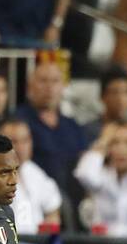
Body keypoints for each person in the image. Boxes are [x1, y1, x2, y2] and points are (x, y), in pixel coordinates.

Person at [15, 60, 85, 195]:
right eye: (43, 81)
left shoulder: (73, 125)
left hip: (71, 198)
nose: (49, 87)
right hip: (33, 195)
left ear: (63, 87)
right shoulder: (18, 122)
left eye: (55, 81)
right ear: (30, 86)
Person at [0, 117, 62, 234]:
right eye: (14, 141)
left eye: (25, 140)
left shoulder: (33, 171)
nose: (20, 148)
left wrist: (47, 233)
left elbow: (53, 208)